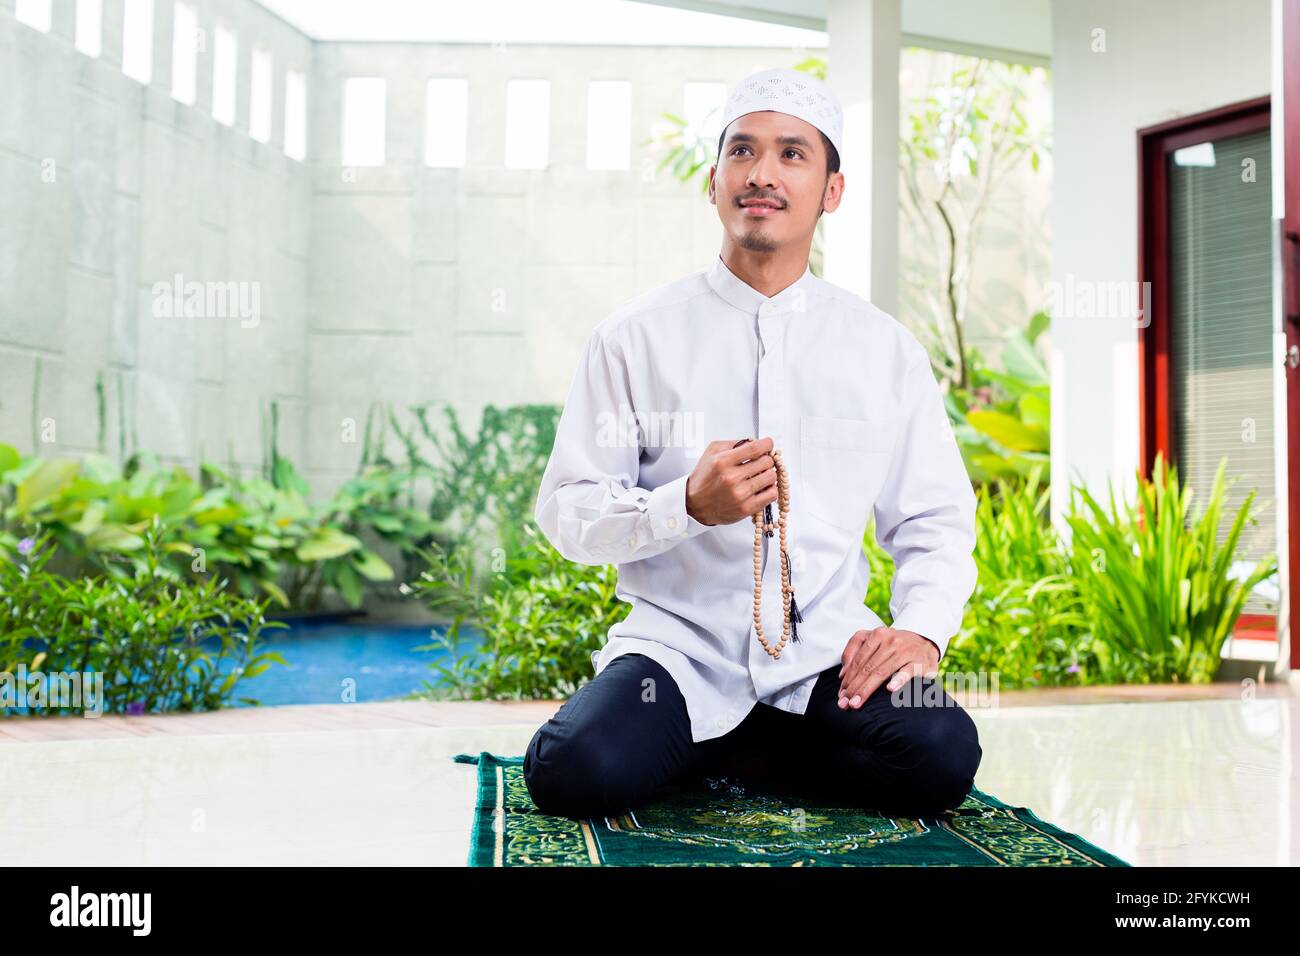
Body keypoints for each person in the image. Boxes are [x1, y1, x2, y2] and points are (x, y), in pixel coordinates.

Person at [524, 66, 981, 820]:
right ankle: (713, 737)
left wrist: (921, 632)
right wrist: (685, 507)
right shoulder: (633, 338)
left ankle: (734, 748)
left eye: (793, 154)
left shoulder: (885, 351)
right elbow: (568, 513)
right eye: (742, 151)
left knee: (944, 752)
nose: (762, 174)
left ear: (832, 190)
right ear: (713, 182)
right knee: (575, 769)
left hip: (832, 654)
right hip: (675, 654)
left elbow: (934, 518)